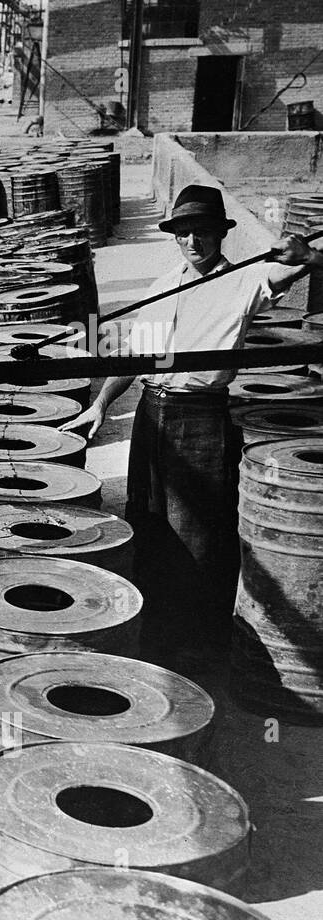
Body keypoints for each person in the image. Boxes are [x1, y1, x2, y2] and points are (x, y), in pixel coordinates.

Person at [61, 184, 323, 670]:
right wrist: (101, 403)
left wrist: (308, 255)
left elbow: (307, 267)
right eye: (184, 232)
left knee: (199, 533)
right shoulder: (164, 285)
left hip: (201, 414)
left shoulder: (249, 280)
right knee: (150, 519)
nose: (193, 241)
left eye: (202, 231)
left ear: (220, 235)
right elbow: (140, 356)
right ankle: (157, 631)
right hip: (151, 412)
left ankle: (200, 645)